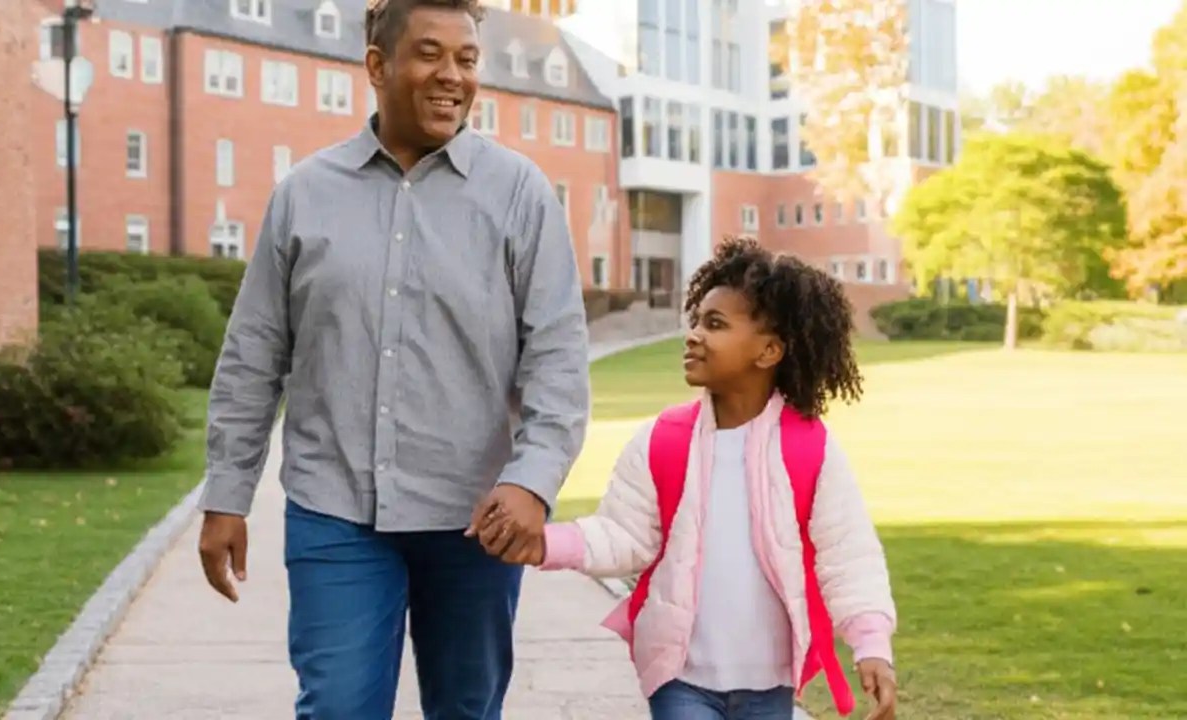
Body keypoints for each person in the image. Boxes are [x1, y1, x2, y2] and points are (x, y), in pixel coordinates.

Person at [194, 0, 591, 717]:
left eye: (466, 59)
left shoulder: (520, 194)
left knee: (466, 710)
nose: (452, 76)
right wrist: (227, 493)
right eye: (430, 54)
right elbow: (253, 354)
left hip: (476, 518)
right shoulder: (304, 195)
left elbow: (558, 356)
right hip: (335, 509)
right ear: (376, 66)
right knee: (338, 707)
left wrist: (532, 482)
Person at [470, 238, 899, 720]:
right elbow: (623, 534)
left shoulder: (810, 449)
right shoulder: (664, 440)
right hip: (681, 682)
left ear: (769, 350)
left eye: (714, 324)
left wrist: (871, 645)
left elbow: (848, 555)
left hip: (771, 686)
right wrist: (545, 544)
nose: (693, 335)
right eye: (696, 321)